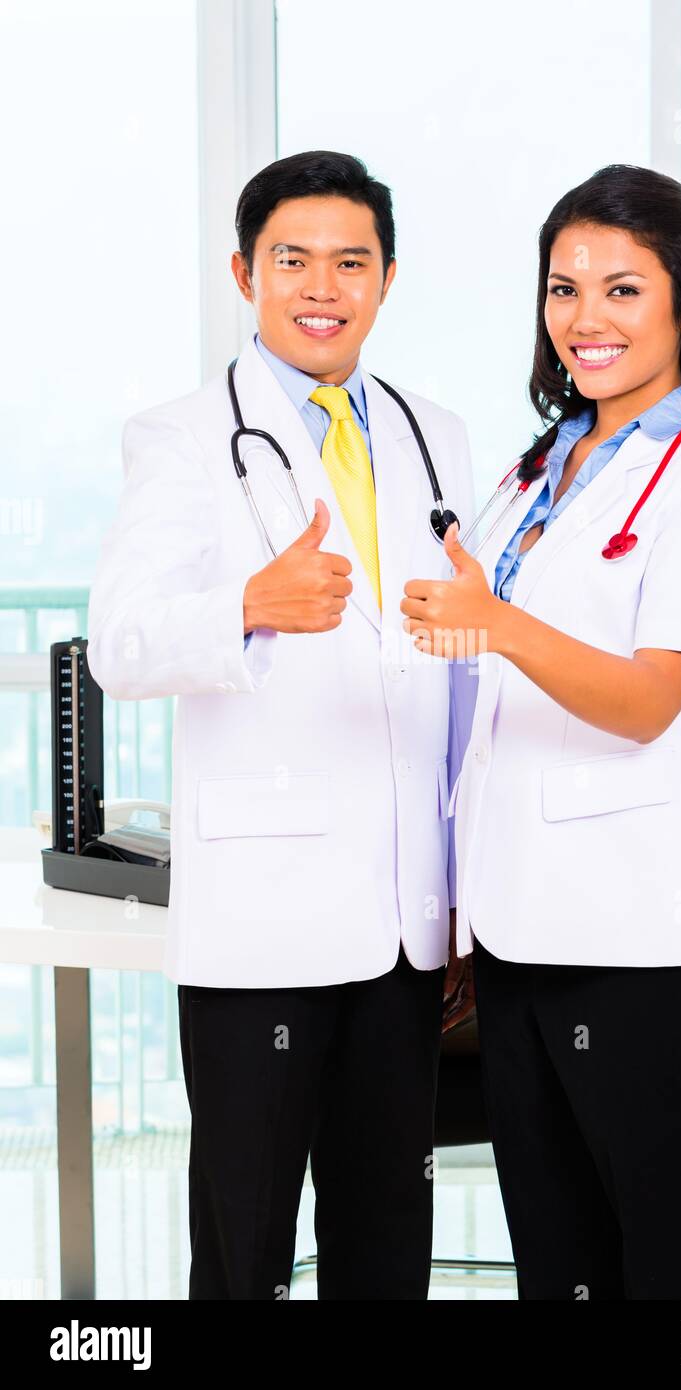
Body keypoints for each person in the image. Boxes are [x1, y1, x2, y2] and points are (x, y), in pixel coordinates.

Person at [87, 150, 475, 1300]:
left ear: (386, 278)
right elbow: (122, 642)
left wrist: (462, 891)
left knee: (384, 1233)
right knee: (245, 1240)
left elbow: (454, 674)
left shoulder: (434, 433)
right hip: (262, 920)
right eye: (293, 259)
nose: (322, 285)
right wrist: (247, 605)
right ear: (244, 273)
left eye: (350, 261)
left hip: (406, 920)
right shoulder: (182, 436)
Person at [401, 163, 681, 1300]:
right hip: (523, 936)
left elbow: (644, 700)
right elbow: (478, 697)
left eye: (621, 288)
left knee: (675, 1273)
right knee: (559, 1269)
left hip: (649, 945)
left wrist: (496, 622)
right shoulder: (531, 473)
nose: (584, 319)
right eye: (562, 290)